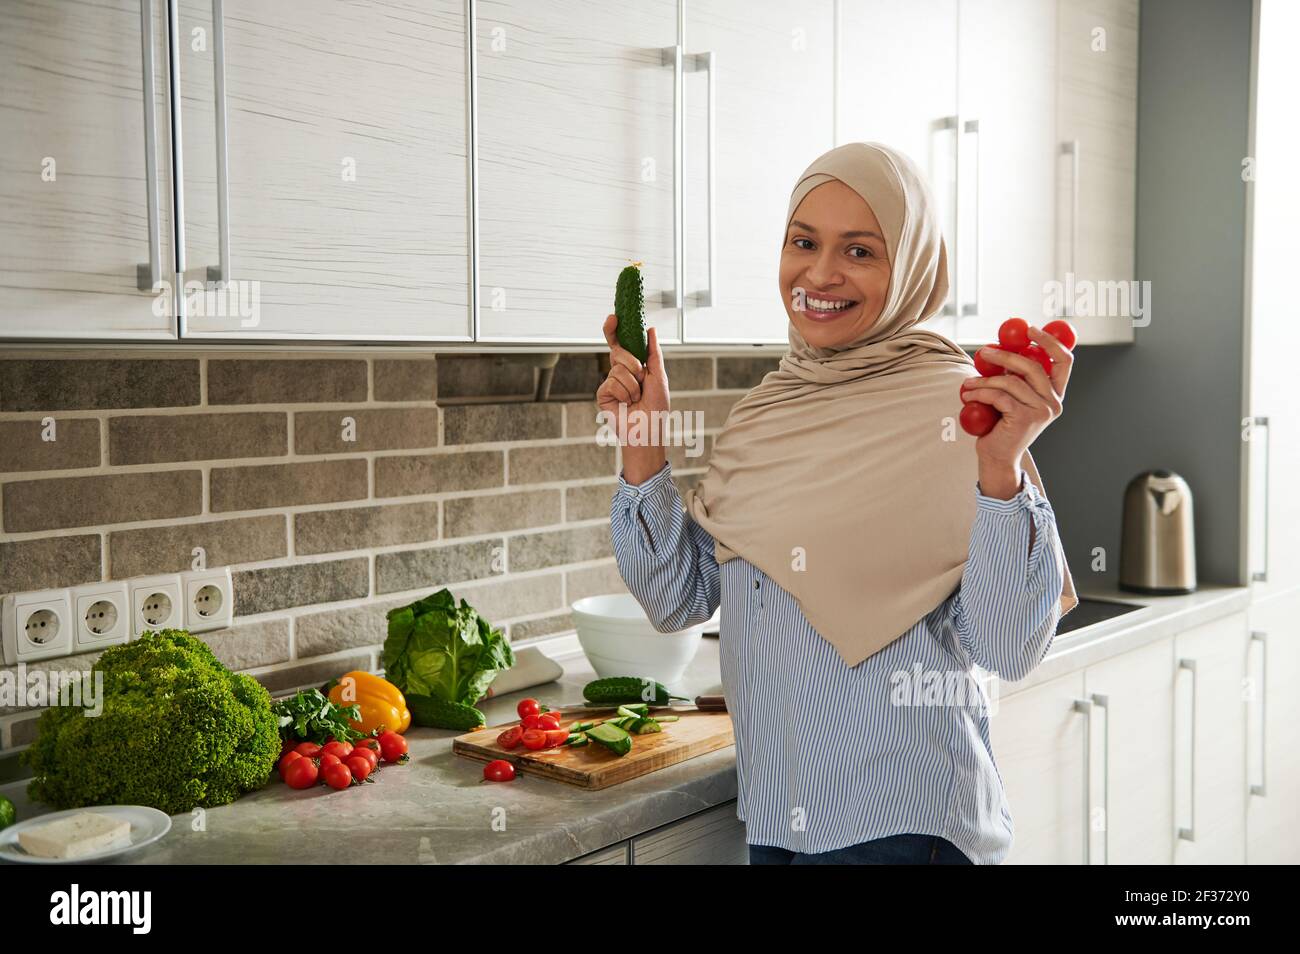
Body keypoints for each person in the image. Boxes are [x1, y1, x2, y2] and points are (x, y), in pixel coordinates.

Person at [598, 141, 1079, 865]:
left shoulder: (962, 411)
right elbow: (678, 599)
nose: (820, 274)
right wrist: (644, 443)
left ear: (910, 267)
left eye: (860, 251)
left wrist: (1000, 469)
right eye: (804, 242)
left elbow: (1009, 648)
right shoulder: (765, 416)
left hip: (906, 827)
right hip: (779, 819)